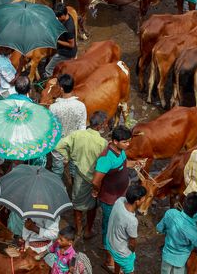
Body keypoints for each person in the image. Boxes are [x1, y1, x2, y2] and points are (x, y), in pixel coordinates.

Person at [56, 110, 108, 239]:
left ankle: (79, 230)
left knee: (77, 204)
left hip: (79, 175)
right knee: (93, 206)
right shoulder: (103, 143)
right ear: (100, 126)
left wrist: (68, 157)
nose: (106, 126)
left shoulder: (77, 135)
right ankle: (88, 231)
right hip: (95, 178)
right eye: (105, 124)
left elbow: (58, 146)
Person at [93, 125, 132, 268]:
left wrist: (134, 164)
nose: (128, 144)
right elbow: (96, 180)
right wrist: (96, 191)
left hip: (120, 195)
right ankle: (108, 258)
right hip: (109, 199)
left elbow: (121, 165)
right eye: (125, 142)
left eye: (129, 141)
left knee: (117, 225)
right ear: (115, 141)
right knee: (109, 227)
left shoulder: (120, 151)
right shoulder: (106, 158)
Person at [156, 192, 197, 274]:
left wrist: (167, 231)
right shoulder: (195, 231)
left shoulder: (170, 213)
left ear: (184, 203)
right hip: (181, 261)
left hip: (166, 256)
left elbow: (159, 228)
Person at [49, 74, 87, 174]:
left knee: (57, 170)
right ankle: (74, 187)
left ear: (61, 89)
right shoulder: (81, 106)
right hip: (74, 144)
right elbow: (82, 127)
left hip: (58, 144)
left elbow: (52, 128)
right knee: (74, 169)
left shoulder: (53, 108)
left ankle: (57, 188)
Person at [105, 184, 145, 274]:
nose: (144, 200)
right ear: (137, 201)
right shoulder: (132, 221)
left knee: (117, 261)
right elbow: (132, 242)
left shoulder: (120, 201)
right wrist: (132, 252)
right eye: (143, 198)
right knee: (130, 271)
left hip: (110, 242)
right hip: (122, 252)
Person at [44, 3, 78, 77]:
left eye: (58, 17)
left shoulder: (69, 28)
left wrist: (57, 40)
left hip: (66, 53)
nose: (57, 18)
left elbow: (71, 45)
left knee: (48, 68)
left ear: (63, 15)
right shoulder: (67, 16)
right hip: (64, 50)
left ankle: (49, 82)